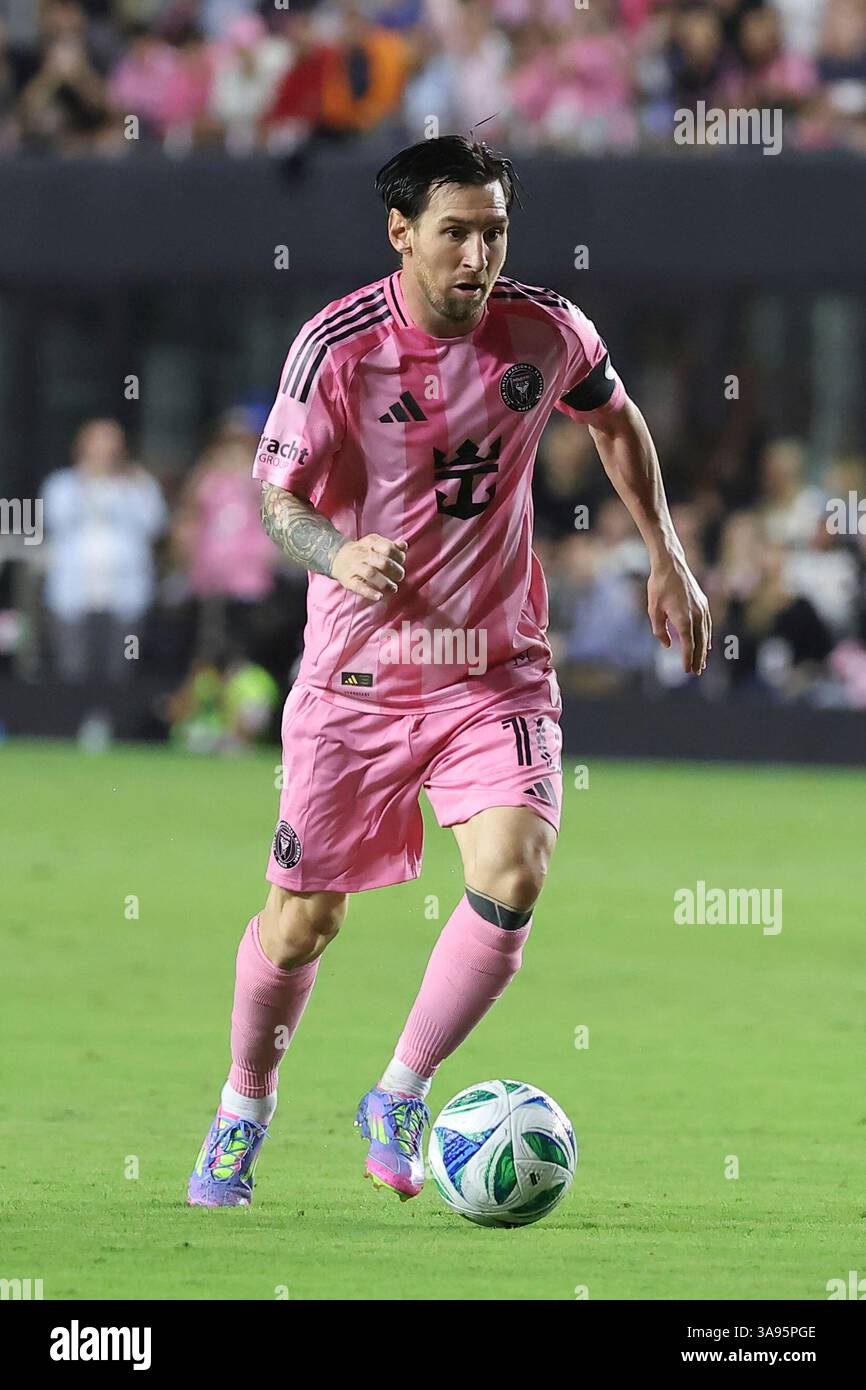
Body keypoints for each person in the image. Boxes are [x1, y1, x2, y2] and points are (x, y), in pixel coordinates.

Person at [188, 135, 711, 1209]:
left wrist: (665, 552)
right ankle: (244, 1106)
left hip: (493, 667)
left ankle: (400, 1090)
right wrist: (337, 552)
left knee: (513, 871)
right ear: (400, 234)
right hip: (359, 679)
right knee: (301, 922)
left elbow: (613, 418)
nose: (477, 256)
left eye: (493, 231)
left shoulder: (546, 329)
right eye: (454, 233)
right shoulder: (335, 348)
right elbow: (274, 498)